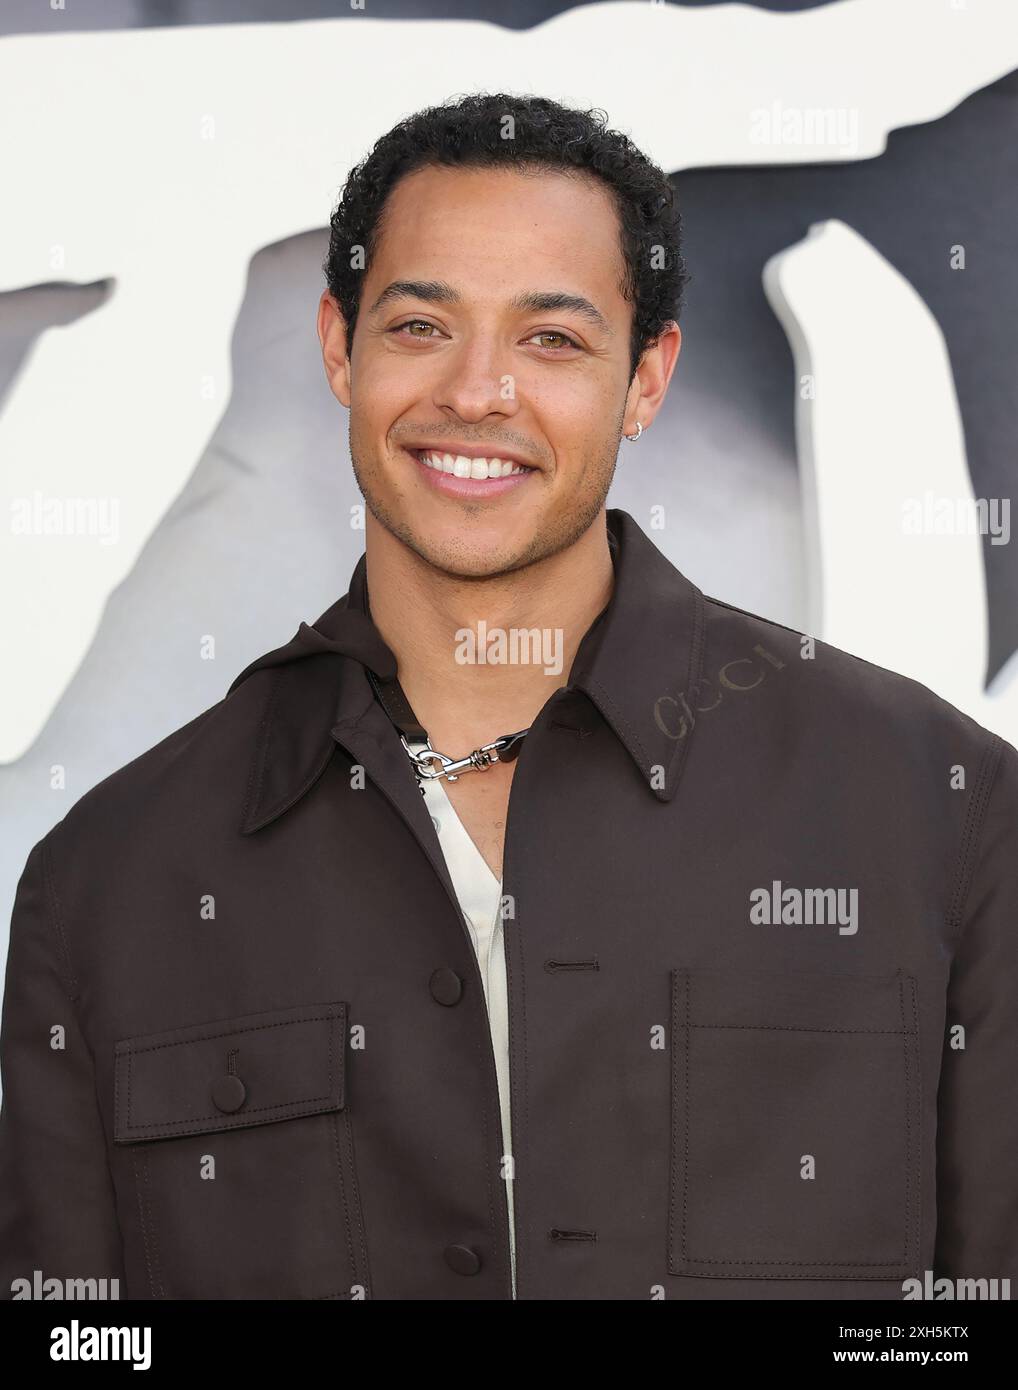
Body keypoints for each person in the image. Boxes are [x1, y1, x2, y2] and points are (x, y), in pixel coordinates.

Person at [1, 92, 1015, 1302]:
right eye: (422, 325)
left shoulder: (941, 812)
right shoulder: (108, 880)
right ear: (339, 346)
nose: (476, 393)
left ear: (645, 380)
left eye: (552, 340)